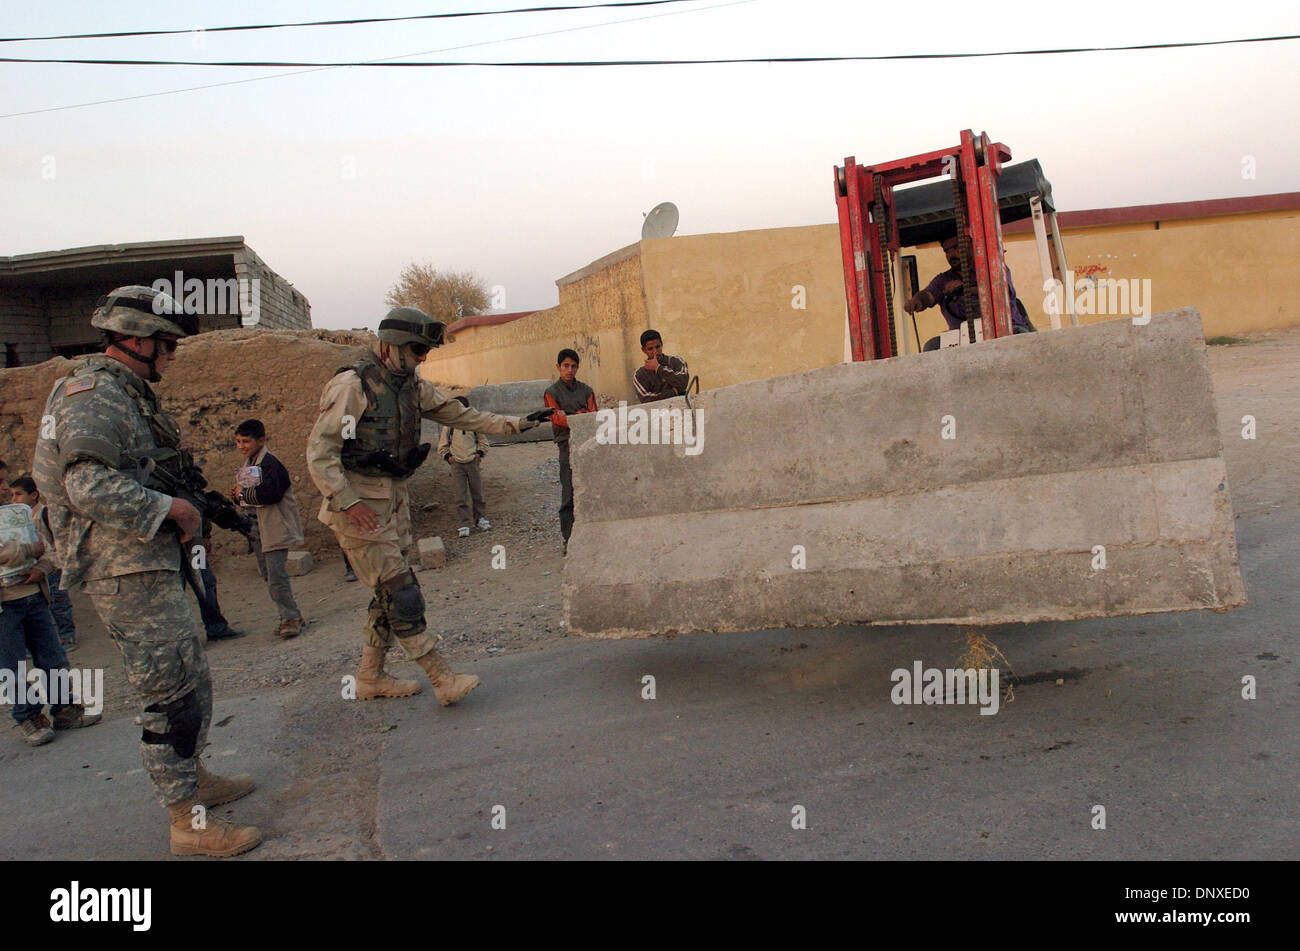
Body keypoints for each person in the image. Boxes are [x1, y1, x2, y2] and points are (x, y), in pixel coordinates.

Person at [31, 285, 261, 857]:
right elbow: (86, 484)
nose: (173, 355)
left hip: (144, 559)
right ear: (135, 338)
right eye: (167, 344)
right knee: (168, 691)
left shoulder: (127, 393)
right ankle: (187, 822)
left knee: (190, 675)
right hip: (121, 564)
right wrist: (170, 509)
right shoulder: (94, 394)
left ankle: (194, 778)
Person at [306, 306, 552, 703]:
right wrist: (348, 502)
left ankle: (370, 676)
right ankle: (442, 679)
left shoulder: (410, 385)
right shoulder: (353, 386)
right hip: (359, 508)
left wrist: (517, 423)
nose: (423, 357)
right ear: (391, 345)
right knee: (402, 592)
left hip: (392, 500)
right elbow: (321, 453)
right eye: (418, 349)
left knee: (387, 593)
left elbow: (458, 413)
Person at [1, 511, 101, 746]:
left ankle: (65, 708)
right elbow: (32, 548)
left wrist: (43, 568)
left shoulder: (19, 515)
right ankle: (30, 716)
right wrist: (26, 551)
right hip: (4, 606)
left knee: (53, 657)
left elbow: (46, 548)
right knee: (11, 667)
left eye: (4, 481)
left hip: (34, 596)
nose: (3, 488)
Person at [231, 419, 306, 638]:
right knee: (268, 575)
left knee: (276, 576)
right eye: (238, 441)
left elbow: (270, 494)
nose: (241, 446)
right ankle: (291, 614)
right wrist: (238, 496)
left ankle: (290, 618)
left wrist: (241, 495)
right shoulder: (250, 463)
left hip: (273, 526)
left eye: (246, 441)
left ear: (261, 440)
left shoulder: (271, 464)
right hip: (258, 527)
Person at [903, 234, 1035, 351]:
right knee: (931, 347)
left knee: (1022, 339)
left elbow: (999, 290)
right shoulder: (943, 280)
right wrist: (917, 301)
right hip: (962, 338)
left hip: (1005, 329)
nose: (951, 255)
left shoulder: (993, 267)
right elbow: (928, 295)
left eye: (956, 248)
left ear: (970, 245)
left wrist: (964, 288)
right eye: (947, 251)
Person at [9, 475, 79, 651]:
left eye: (18, 494)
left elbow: (57, 541)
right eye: (12, 495)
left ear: (34, 495)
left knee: (59, 602)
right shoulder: (15, 519)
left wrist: (54, 561)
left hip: (52, 566)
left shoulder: (45, 513)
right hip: (32, 570)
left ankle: (67, 635)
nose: (14, 499)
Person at [543, 349, 597, 552]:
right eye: (565, 366)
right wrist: (579, 415)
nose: (569, 370)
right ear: (558, 367)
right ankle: (569, 539)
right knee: (569, 493)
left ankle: (591, 535)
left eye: (573, 366)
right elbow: (558, 418)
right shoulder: (552, 392)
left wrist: (573, 416)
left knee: (591, 489)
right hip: (566, 445)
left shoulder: (586, 390)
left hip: (587, 443)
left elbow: (593, 417)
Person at [437, 396, 491, 538]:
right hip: (457, 465)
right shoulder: (448, 427)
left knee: (477, 492)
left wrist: (478, 454)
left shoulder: (473, 424)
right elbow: (442, 446)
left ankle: (480, 519)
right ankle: (464, 524)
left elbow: (483, 442)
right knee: (460, 496)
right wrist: (449, 458)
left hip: (473, 462)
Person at [633, 330, 690, 403]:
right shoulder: (639, 374)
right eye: (650, 349)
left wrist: (658, 368)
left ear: (662, 344)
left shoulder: (677, 361)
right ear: (643, 350)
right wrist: (674, 392)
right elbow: (646, 399)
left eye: (657, 347)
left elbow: (683, 384)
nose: (655, 351)